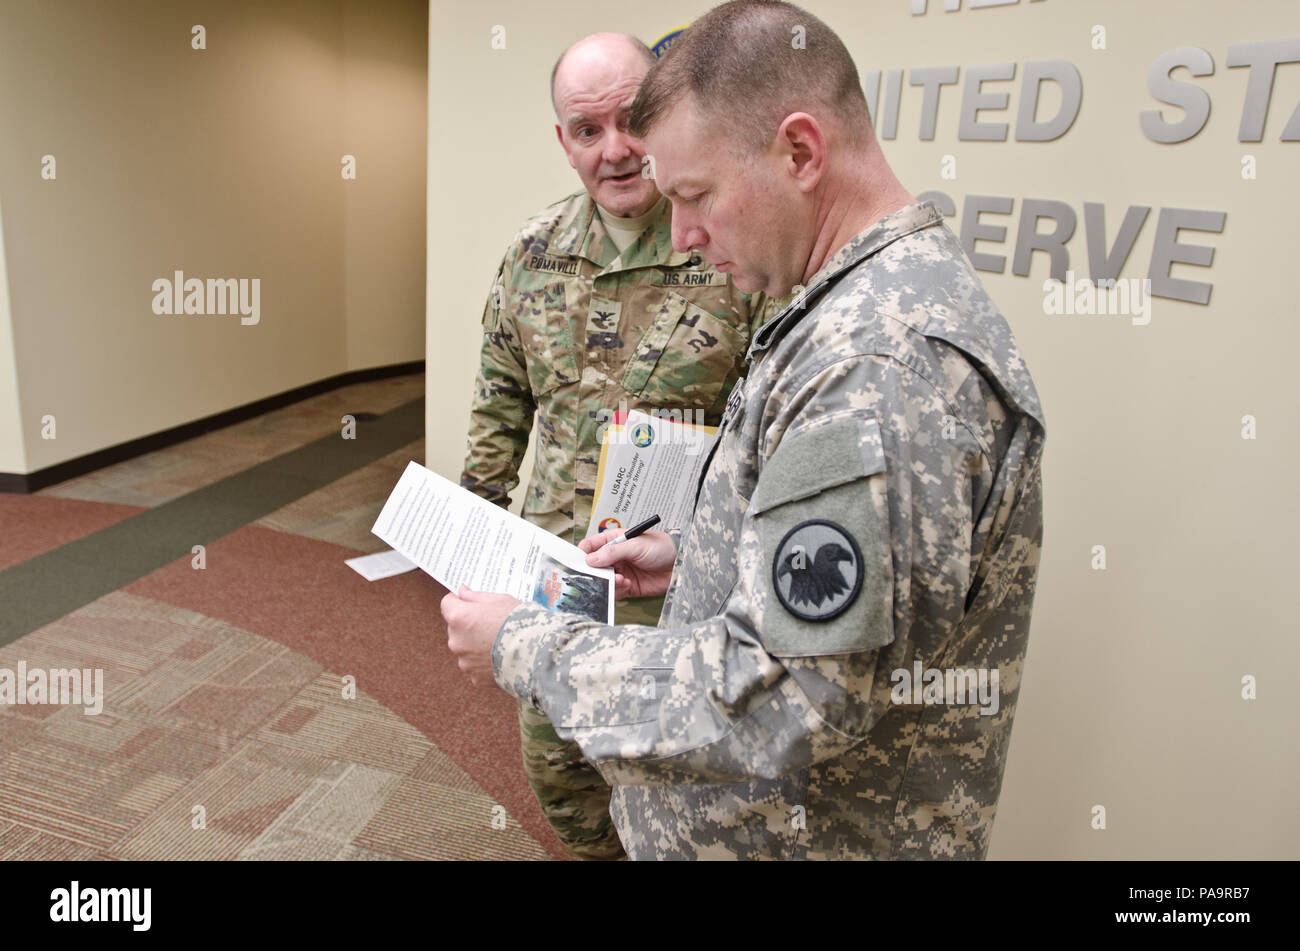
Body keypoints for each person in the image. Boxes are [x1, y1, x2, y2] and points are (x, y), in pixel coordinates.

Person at [443, 0, 1046, 860]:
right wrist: (703, 556)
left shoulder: (875, 366)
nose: (682, 232)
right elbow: (843, 601)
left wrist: (526, 644)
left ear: (799, 152)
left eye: (693, 194)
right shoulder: (843, 309)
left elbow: (779, 693)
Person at [458, 31, 772, 860]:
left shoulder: (726, 242)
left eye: (631, 119)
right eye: (587, 131)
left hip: (686, 594)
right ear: (563, 143)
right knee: (563, 781)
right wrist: (474, 523)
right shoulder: (533, 252)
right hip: (558, 576)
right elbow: (501, 398)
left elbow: (772, 428)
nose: (617, 150)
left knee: (688, 798)